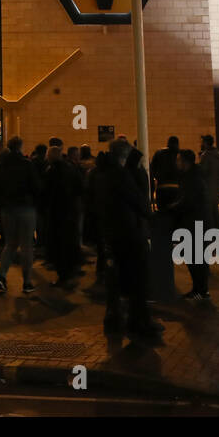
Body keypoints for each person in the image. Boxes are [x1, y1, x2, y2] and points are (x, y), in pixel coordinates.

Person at [92, 140, 163, 341]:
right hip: (129, 234)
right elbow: (139, 201)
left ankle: (117, 319)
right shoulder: (120, 175)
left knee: (116, 279)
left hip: (112, 233)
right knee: (139, 279)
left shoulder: (101, 173)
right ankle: (139, 323)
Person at [0, 136, 41, 294]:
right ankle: (26, 282)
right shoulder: (27, 164)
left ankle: (2, 276)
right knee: (27, 246)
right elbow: (36, 186)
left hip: (7, 209)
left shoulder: (1, 165)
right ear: (20, 146)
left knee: (10, 244)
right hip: (26, 208)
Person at [167, 148, 211, 301]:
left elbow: (188, 201)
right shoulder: (189, 176)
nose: (176, 162)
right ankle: (198, 289)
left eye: (179, 160)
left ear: (185, 162)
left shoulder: (193, 178)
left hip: (195, 223)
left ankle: (201, 290)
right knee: (192, 257)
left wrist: (173, 207)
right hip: (191, 222)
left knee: (196, 258)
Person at [43, 144, 84, 287]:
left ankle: (63, 274)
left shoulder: (52, 171)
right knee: (71, 239)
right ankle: (72, 267)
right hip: (71, 210)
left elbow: (46, 192)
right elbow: (80, 186)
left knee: (59, 243)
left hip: (57, 212)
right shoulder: (70, 169)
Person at [198, 134, 219, 231]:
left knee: (208, 211)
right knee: (214, 210)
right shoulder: (218, 155)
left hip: (207, 187)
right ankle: (217, 228)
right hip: (216, 186)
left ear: (205, 143)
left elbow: (202, 171)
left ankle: (211, 231)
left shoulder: (206, 155)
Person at [149, 135, 180, 207]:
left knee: (162, 212)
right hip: (177, 188)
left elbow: (152, 168)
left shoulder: (159, 153)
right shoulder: (180, 154)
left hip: (162, 187)